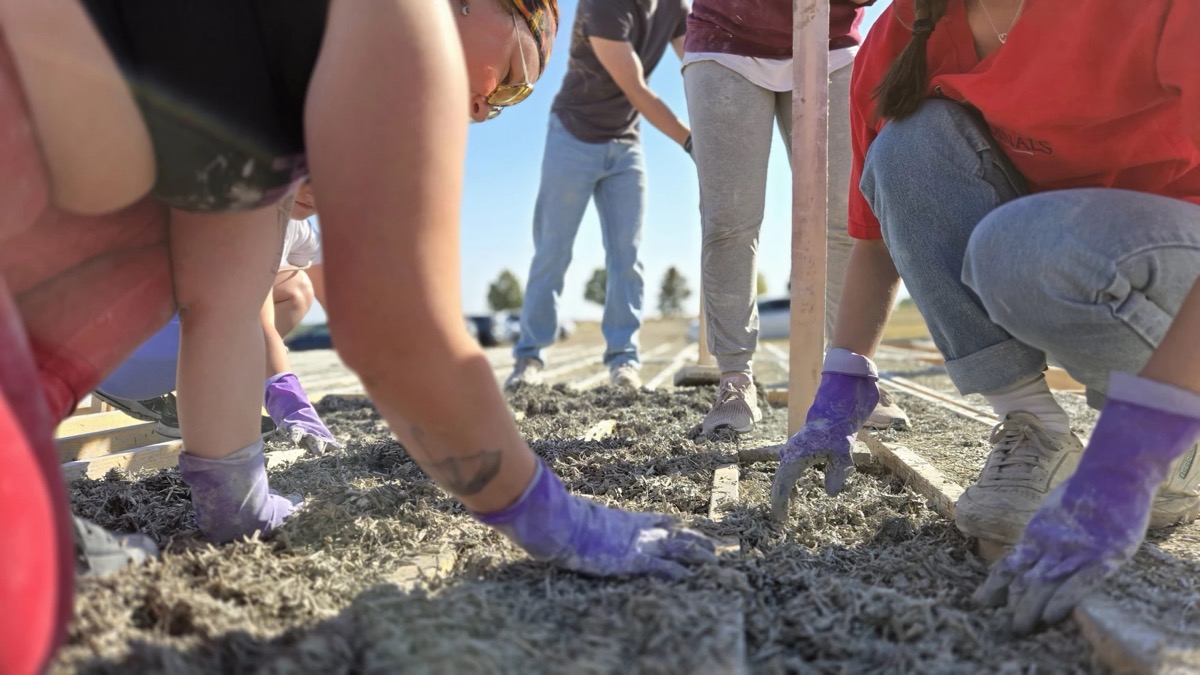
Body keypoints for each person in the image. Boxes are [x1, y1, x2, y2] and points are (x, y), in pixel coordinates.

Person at [0, 1, 715, 671]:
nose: (484, 108)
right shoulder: (404, 22)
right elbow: (397, 334)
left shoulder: (264, 113)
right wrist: (545, 512)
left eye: (511, 106)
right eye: (514, 79)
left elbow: (220, 305)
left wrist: (234, 496)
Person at [766, 0, 1200, 633]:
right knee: (906, 149)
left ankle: (1178, 440)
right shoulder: (901, 37)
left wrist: (1134, 452)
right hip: (1055, 256)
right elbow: (879, 234)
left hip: (1174, 271)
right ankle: (1033, 428)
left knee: (1021, 249)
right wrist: (843, 377)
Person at [682, 0, 909, 435]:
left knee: (850, 219)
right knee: (730, 221)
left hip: (833, 44)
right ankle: (735, 380)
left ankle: (852, 373)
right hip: (726, 41)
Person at [505, 0, 693, 391]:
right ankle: (529, 358)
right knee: (553, 251)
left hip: (625, 144)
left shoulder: (675, 8)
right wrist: (693, 143)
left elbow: (699, 66)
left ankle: (623, 362)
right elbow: (637, 90)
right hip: (573, 135)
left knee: (628, 255)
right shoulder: (604, 4)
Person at [94, 181, 340, 453]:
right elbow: (259, 321)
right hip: (120, 362)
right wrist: (292, 405)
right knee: (250, 301)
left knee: (296, 288)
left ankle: (202, 404)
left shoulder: (289, 221)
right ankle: (207, 408)